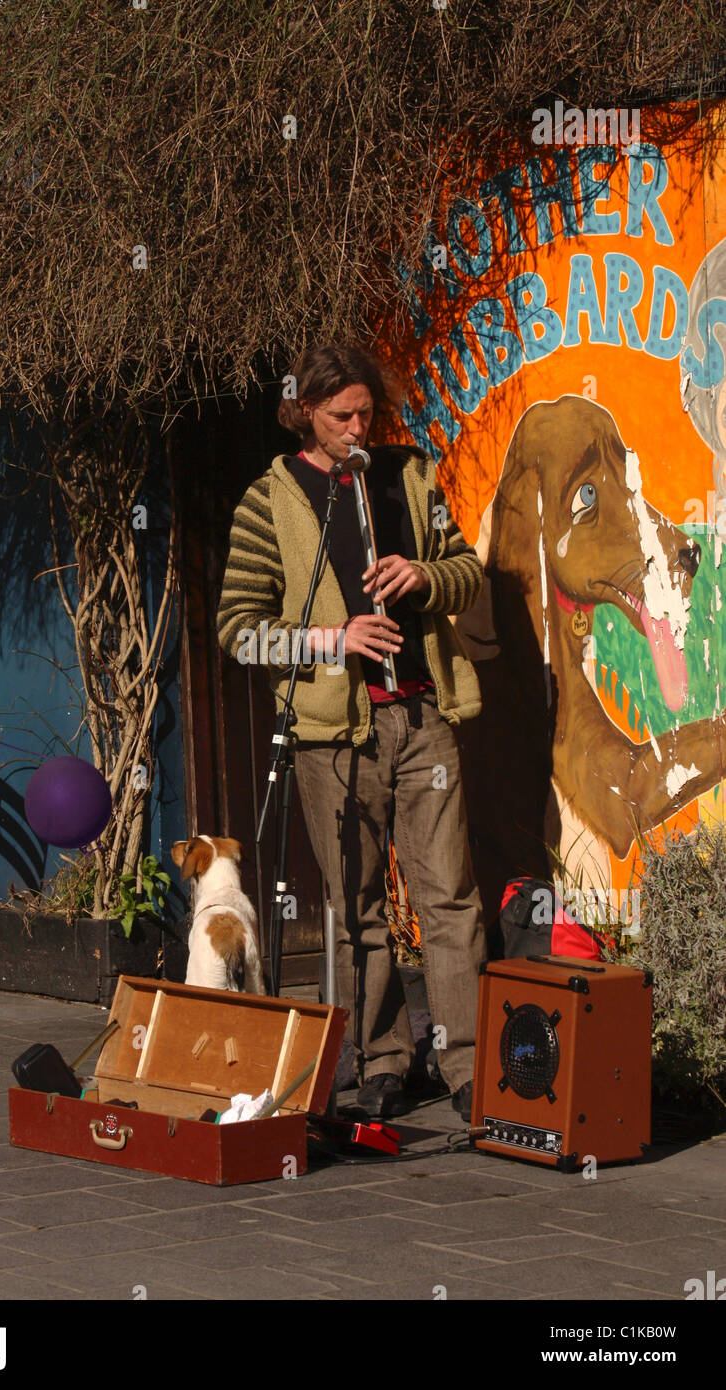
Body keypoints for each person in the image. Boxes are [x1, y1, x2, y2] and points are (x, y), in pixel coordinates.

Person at [217, 342, 487, 1121]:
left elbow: (469, 570)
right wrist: (330, 640)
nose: (357, 426)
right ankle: (382, 1062)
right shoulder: (268, 501)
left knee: (449, 899)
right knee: (356, 907)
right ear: (304, 410)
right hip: (332, 738)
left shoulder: (409, 476)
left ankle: (467, 1066)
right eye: (341, 415)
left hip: (421, 716)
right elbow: (239, 632)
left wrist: (425, 576)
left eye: (367, 411)